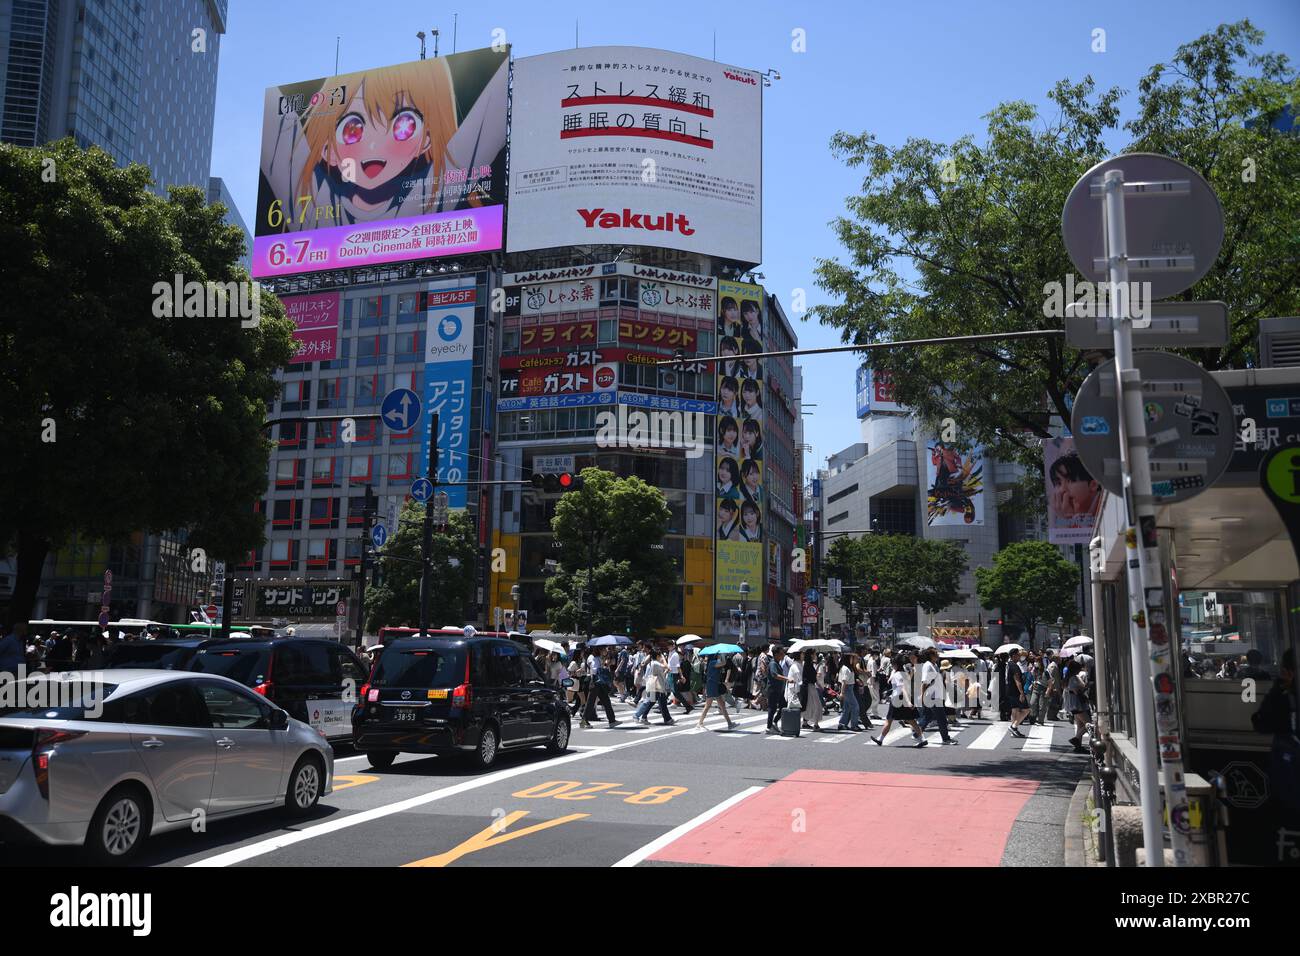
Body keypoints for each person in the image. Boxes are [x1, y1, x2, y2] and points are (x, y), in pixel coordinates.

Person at [1251, 649, 1299, 815]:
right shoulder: (1279, 689)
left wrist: (1279, 688)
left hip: (1288, 770)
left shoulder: (1281, 693)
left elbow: (1262, 723)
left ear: (1287, 671)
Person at [873, 656, 926, 747]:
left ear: (896, 665)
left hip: (898, 699)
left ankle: (880, 739)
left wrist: (908, 702)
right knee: (911, 720)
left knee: (889, 720)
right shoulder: (905, 673)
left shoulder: (897, 675)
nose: (892, 666)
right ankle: (922, 739)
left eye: (893, 664)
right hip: (904, 698)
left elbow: (903, 688)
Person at [917, 649, 957, 745]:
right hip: (932, 696)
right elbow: (924, 682)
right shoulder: (928, 665)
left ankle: (916, 733)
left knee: (928, 716)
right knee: (941, 718)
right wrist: (922, 696)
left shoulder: (934, 665)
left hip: (936, 695)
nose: (938, 655)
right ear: (931, 655)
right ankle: (946, 738)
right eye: (935, 654)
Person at [696, 652, 737, 731]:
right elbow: (724, 663)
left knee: (722, 705)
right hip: (711, 686)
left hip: (715, 685)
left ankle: (730, 724)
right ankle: (699, 723)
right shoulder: (712, 662)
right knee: (708, 706)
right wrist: (723, 656)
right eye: (718, 654)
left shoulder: (713, 662)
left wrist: (721, 656)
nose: (719, 655)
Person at [633, 652, 675, 725]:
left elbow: (662, 672)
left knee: (655, 702)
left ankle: (645, 717)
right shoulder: (655, 663)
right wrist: (664, 658)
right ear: (658, 656)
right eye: (660, 656)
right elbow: (666, 666)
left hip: (655, 685)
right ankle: (637, 715)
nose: (661, 658)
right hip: (655, 686)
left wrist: (665, 671)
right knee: (649, 702)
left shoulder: (654, 663)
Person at [583, 649, 621, 728]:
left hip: (600, 683)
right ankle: (584, 721)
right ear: (600, 650)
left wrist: (605, 664)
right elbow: (594, 670)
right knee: (590, 702)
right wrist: (603, 667)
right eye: (604, 649)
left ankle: (612, 720)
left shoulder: (599, 658)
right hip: (595, 682)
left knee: (606, 701)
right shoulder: (593, 658)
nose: (606, 650)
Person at [1064, 661, 1091, 753]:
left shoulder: (1070, 678)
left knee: (1080, 725)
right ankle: (1076, 738)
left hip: (1074, 704)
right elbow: (1076, 690)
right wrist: (1083, 689)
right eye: (1078, 668)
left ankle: (1078, 746)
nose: (1080, 670)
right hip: (1077, 704)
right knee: (1089, 724)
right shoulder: (1073, 678)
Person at [765, 645, 791, 734]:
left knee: (783, 705)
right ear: (776, 654)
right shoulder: (773, 663)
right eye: (781, 653)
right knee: (772, 708)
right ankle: (769, 727)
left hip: (778, 689)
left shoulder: (777, 663)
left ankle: (774, 722)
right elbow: (774, 675)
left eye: (783, 653)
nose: (783, 655)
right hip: (773, 689)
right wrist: (787, 678)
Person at [837, 652, 864, 731]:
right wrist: (842, 693)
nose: (854, 660)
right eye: (852, 658)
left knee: (847, 707)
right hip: (847, 688)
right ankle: (854, 725)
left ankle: (842, 724)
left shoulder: (849, 667)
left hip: (849, 688)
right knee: (855, 706)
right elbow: (844, 682)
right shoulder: (846, 668)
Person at [1007, 652, 1031, 737]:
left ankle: (1014, 730)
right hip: (1016, 691)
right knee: (1026, 710)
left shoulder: (1009, 664)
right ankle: (1013, 727)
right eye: (1018, 655)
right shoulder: (1014, 666)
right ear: (1014, 656)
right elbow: (1017, 681)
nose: (1020, 657)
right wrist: (1021, 693)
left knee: (1015, 710)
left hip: (1010, 690)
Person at [666, 644, 692, 714]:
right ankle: (687, 706)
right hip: (670, 673)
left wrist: (681, 676)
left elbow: (678, 667)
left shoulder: (675, 655)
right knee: (673, 691)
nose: (668, 646)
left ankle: (688, 706)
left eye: (670, 645)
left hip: (673, 674)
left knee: (675, 692)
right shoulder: (671, 653)